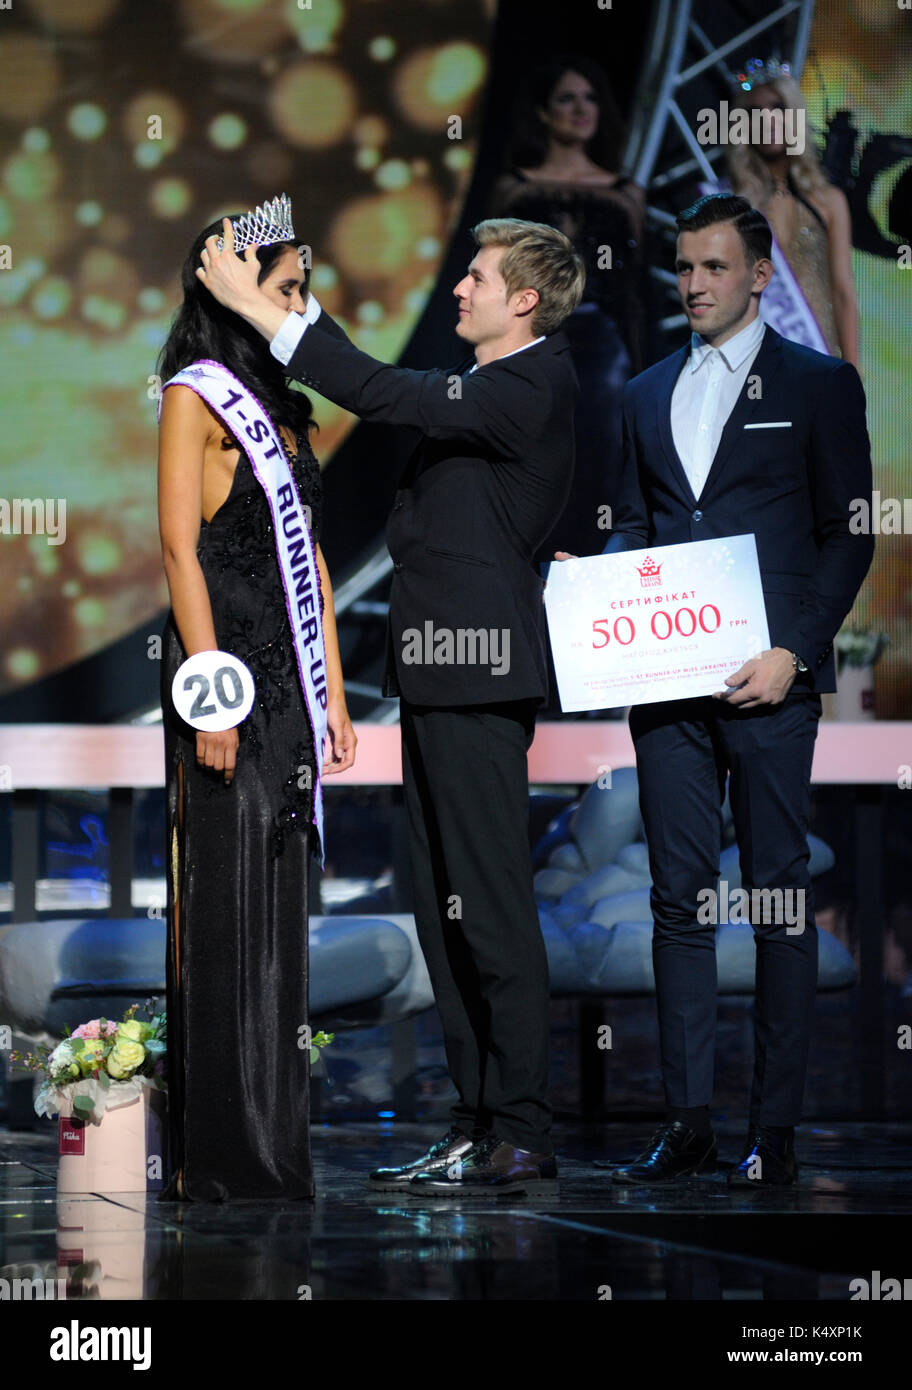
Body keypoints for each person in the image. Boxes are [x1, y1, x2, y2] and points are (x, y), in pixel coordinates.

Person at [197, 213, 585, 1195]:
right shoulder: (498, 385)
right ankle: (475, 1121)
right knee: (444, 910)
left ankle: (525, 1126)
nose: (458, 288)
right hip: (441, 676)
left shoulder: (531, 381)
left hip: (483, 675)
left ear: (525, 300)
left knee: (489, 909)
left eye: (478, 277)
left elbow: (381, 390)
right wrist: (289, 290)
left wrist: (260, 311)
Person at [591, 192, 873, 1185]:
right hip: (667, 687)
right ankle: (689, 1118)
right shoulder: (643, 391)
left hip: (768, 681)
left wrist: (795, 651)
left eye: (714, 267)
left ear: (758, 275)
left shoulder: (820, 381)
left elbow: (851, 532)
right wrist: (597, 611)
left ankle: (777, 1127)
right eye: (684, 268)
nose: (695, 284)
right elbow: (633, 525)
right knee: (678, 898)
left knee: (777, 898)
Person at [157, 197, 356, 1201]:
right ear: (232, 289)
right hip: (225, 672)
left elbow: (311, 553)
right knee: (226, 903)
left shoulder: (285, 406)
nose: (301, 306)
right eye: (286, 289)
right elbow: (180, 551)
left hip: (292, 680)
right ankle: (225, 1155)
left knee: (278, 900)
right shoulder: (195, 396)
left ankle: (277, 1146)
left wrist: (336, 698)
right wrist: (211, 698)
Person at [490, 56, 648, 563]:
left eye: (590, 98)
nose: (581, 109)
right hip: (532, 346)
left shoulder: (626, 194)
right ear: (542, 112)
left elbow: (634, 292)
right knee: (531, 465)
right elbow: (494, 283)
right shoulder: (514, 189)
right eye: (566, 98)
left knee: (600, 462)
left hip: (604, 352)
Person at [725, 59, 859, 366]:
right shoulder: (733, 205)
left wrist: (852, 374)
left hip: (818, 355)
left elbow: (842, 293)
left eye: (778, 109)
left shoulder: (828, 201)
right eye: (754, 114)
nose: (767, 120)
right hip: (754, 361)